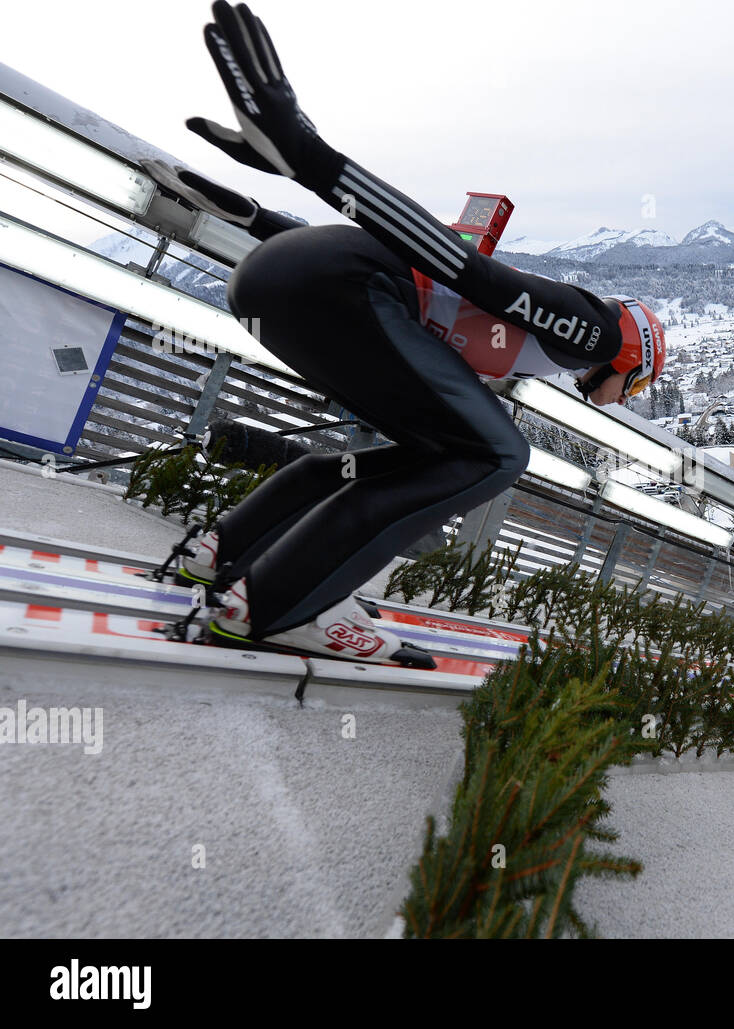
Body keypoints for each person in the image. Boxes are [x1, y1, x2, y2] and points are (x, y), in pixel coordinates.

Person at [155, 3, 667, 663]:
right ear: (636, 351)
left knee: (423, 453)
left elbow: (425, 277)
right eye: (639, 382)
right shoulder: (594, 331)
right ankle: (276, 603)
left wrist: (256, 219)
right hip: (341, 287)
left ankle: (228, 557)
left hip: (293, 284)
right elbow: (462, 266)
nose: (624, 395)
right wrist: (309, 155)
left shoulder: (541, 350)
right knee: (500, 456)